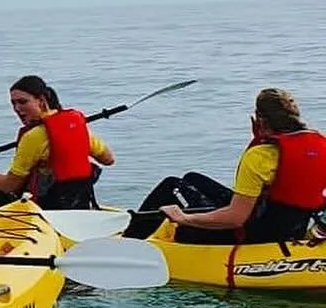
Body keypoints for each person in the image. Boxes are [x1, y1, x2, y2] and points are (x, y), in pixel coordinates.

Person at [126, 87, 326, 246]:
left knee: (172, 186)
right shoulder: (321, 144)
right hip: (292, 228)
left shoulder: (260, 156)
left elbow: (235, 219)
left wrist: (183, 218)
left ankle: (128, 242)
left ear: (260, 120)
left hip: (251, 235)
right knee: (192, 178)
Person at [0, 75, 115, 213]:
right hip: (76, 208)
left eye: (23, 102)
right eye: (13, 103)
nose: (17, 108)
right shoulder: (76, 126)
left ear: (41, 100)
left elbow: (9, 185)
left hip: (41, 214)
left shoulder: (33, 137)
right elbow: (108, 159)